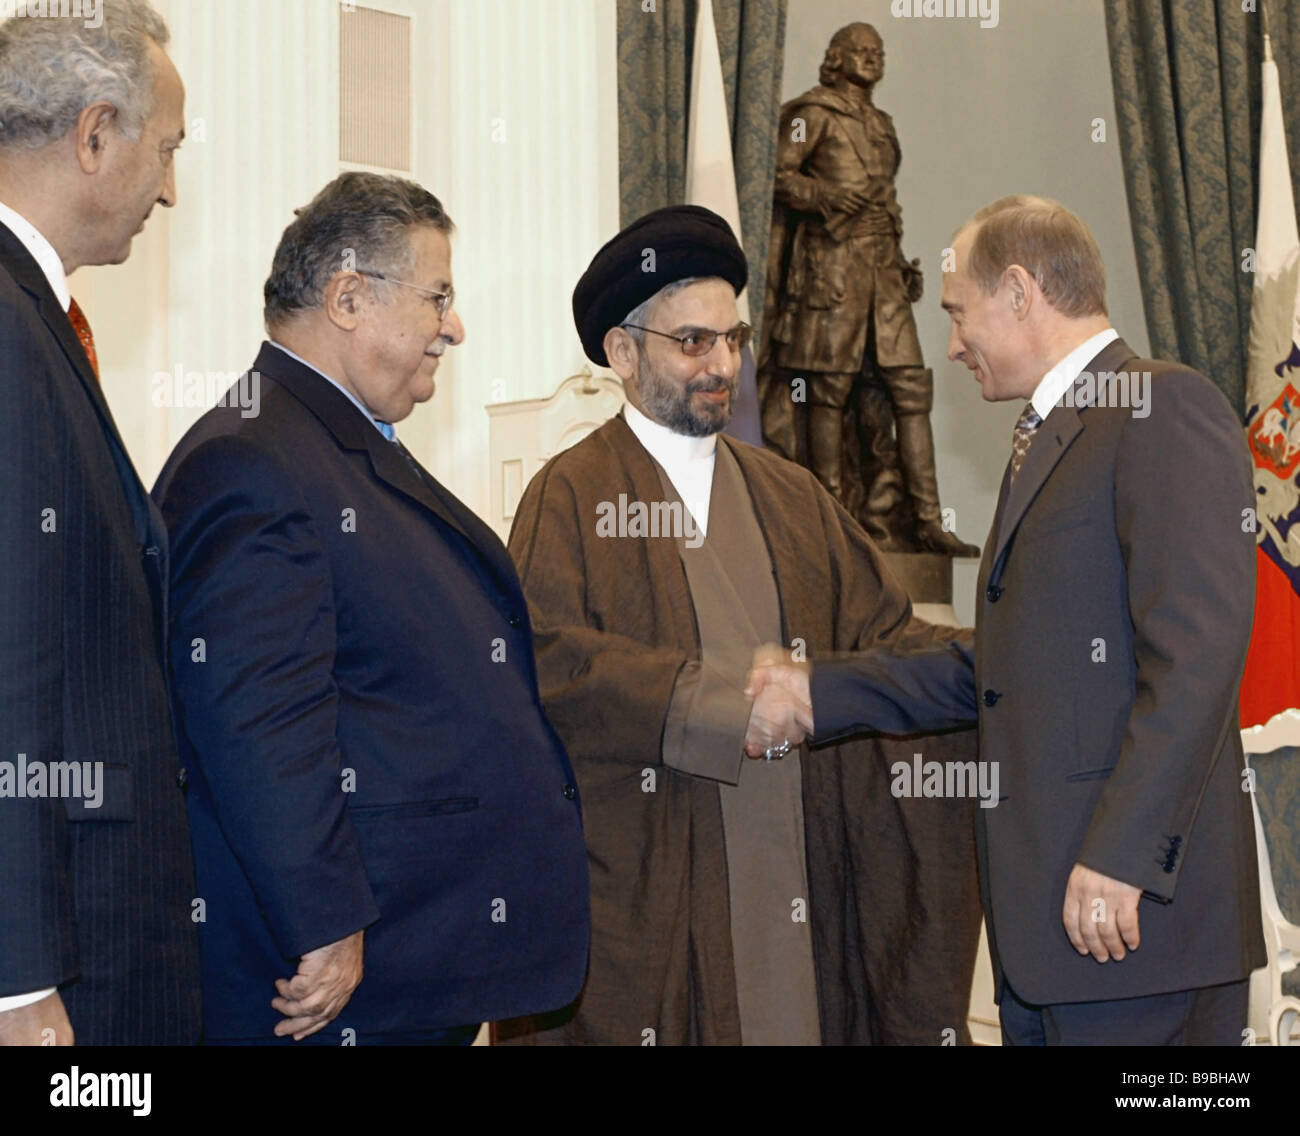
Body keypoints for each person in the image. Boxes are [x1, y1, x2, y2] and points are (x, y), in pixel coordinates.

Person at [753, 195, 1267, 1045]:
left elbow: (1198, 655)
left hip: (1136, 931)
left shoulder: (1159, 406)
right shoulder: (1051, 436)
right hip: (1049, 948)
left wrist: (1122, 856)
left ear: (1021, 292)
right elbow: (997, 668)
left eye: (958, 313)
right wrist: (819, 694)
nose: (950, 345)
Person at [502, 204, 981, 1046]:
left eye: (734, 338)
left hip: (797, 866)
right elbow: (549, 664)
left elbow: (888, 637)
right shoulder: (570, 495)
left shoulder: (791, 495)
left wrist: (1011, 654)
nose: (722, 363)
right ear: (623, 351)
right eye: (694, 342)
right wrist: (718, 710)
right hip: (653, 889)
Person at [154, 172, 590, 1045]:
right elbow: (258, 718)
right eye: (439, 296)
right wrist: (323, 920)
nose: (453, 327)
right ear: (348, 297)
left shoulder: (322, 443)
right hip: (333, 984)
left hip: (406, 956)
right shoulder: (252, 460)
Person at [0, 0, 200, 1047]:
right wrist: (17, 978)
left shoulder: (33, 312)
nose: (170, 188)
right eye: (163, 150)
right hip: (65, 952)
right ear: (92, 135)